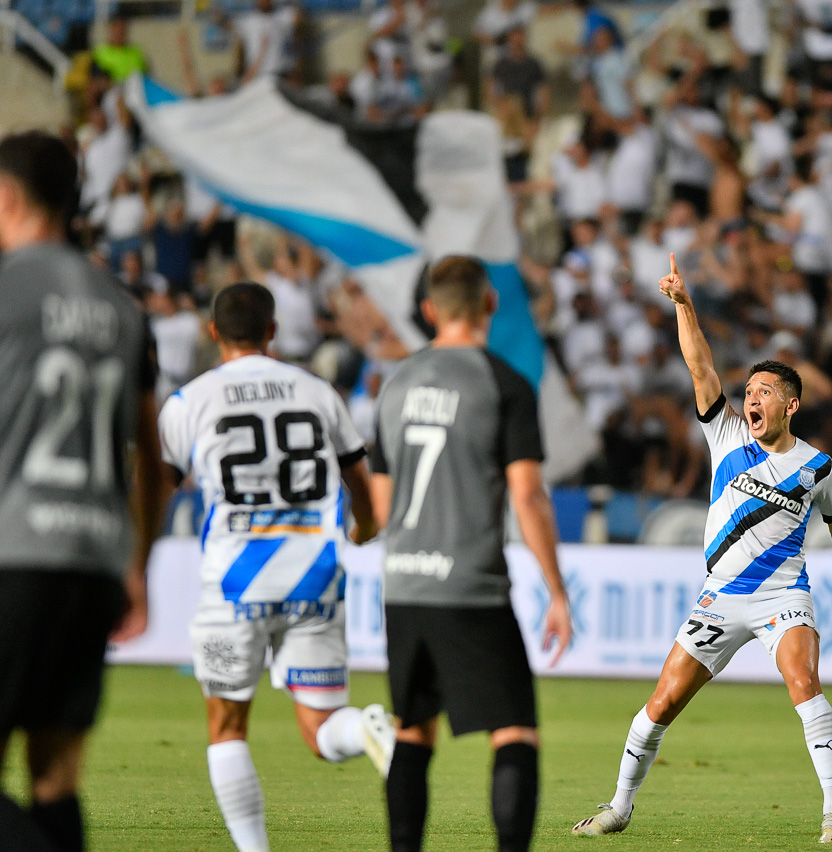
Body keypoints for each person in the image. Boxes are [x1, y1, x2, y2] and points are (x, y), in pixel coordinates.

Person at [571, 255, 832, 844]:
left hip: (781, 595)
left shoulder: (816, 467)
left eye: (765, 392)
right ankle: (618, 807)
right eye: (749, 392)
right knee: (661, 704)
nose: (752, 399)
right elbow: (699, 365)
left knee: (803, 681)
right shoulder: (726, 435)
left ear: (789, 405)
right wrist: (684, 305)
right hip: (719, 599)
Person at [157, 282, 391, 852]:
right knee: (320, 729)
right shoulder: (318, 392)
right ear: (272, 331)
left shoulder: (190, 401)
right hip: (315, 572)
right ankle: (366, 728)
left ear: (213, 333)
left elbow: (155, 489)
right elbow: (361, 485)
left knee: (227, 727)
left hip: (234, 582)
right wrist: (365, 529)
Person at [369, 256, 573, 852]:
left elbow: (381, 510)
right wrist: (557, 590)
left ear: (430, 311)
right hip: (470, 588)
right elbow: (528, 494)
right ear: (489, 304)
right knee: (514, 732)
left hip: (404, 586)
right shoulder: (503, 384)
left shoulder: (395, 384)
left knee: (412, 732)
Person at [0, 130, 163, 852]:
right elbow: (153, 455)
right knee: (55, 779)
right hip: (94, 562)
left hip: (12, 553)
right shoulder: (124, 309)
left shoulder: (7, 289)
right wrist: (137, 562)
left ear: (7, 198)